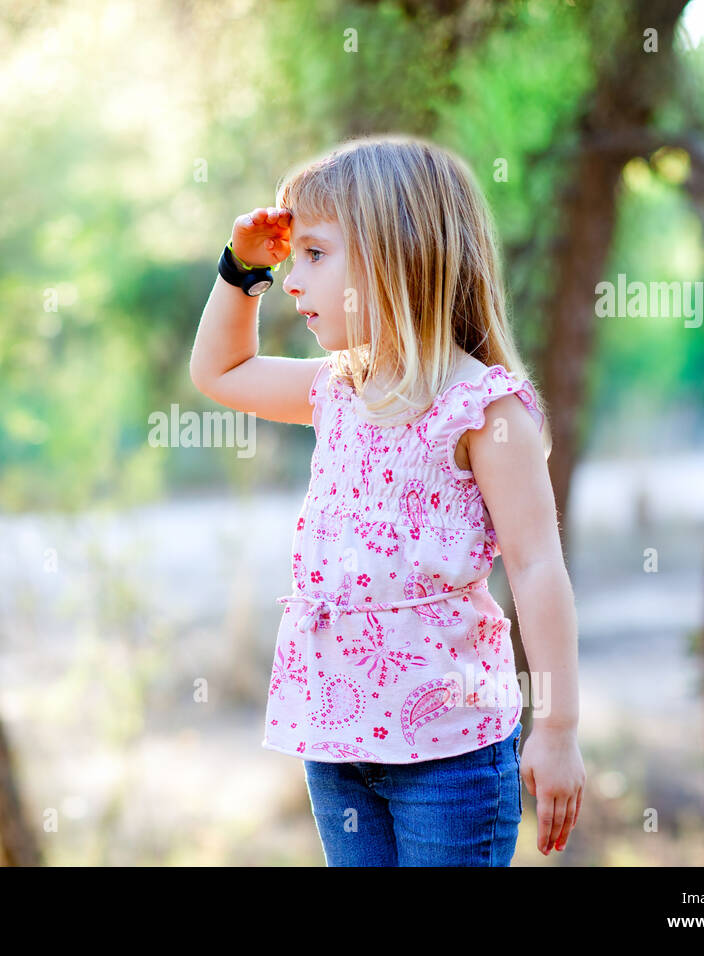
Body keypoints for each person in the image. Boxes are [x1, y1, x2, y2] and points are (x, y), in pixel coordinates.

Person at [189, 134, 584, 866]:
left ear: (395, 253)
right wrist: (242, 268)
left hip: (451, 755)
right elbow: (221, 370)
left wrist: (557, 731)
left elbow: (537, 570)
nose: (293, 280)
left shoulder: (485, 410)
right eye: (289, 258)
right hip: (337, 745)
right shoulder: (336, 390)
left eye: (313, 254)